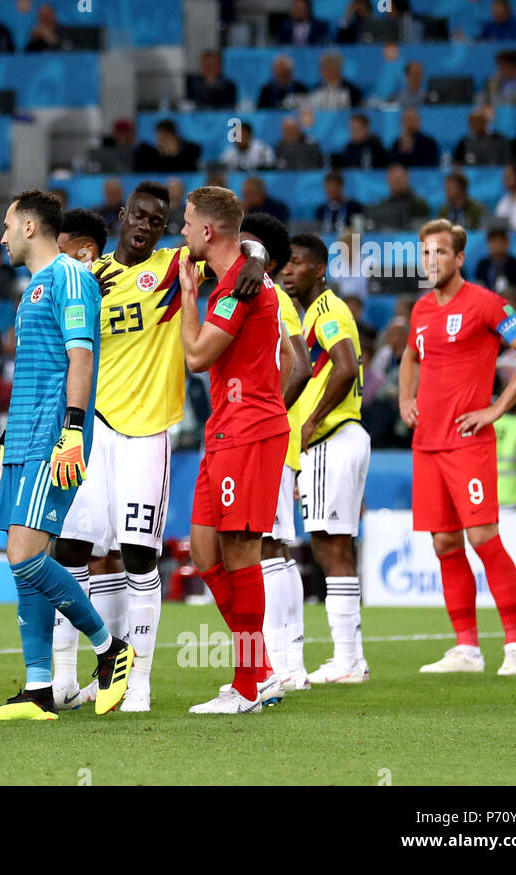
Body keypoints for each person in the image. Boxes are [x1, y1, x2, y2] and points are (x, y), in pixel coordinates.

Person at [52, 182, 268, 712]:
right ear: (123, 216)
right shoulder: (89, 275)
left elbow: (242, 243)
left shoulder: (175, 268)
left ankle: (140, 683)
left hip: (148, 432)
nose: (147, 225)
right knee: (73, 551)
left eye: (159, 219)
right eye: (139, 215)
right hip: (94, 429)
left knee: (140, 557)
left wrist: (257, 261)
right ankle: (65, 678)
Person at [0, 190, 132, 721]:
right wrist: (5, 446)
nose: (0, 236)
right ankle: (38, 688)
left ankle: (111, 649)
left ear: (28, 227)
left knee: (26, 558)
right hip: (24, 438)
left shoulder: (69, 275)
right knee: (23, 568)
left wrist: (71, 431)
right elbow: (32, 376)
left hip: (53, 437)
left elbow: (81, 357)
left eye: (5, 224)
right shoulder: (33, 290)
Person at [402, 219, 516, 676]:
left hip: (468, 443)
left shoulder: (486, 303)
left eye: (441, 253)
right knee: (444, 542)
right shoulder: (421, 309)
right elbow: (410, 355)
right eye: (426, 253)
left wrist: (497, 408)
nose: (432, 261)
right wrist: (407, 396)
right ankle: (467, 647)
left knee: (483, 539)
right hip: (427, 445)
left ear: (460, 258)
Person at [178, 186, 293, 714]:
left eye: (186, 223)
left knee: (242, 551)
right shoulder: (247, 272)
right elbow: (288, 355)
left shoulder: (233, 289)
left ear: (207, 231)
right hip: (228, 429)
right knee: (204, 551)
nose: (181, 232)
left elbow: (198, 356)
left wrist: (185, 297)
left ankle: (249, 686)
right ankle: (261, 669)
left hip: (246, 431)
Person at [283, 233, 372, 684]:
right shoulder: (318, 312)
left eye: (297, 264)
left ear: (320, 269)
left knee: (330, 546)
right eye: (286, 265)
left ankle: (347, 659)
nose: (287, 271)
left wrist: (313, 420)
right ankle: (351, 656)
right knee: (332, 544)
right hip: (342, 437)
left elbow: (346, 365)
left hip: (331, 437)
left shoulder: (327, 311)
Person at [241, 214, 311, 693]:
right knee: (277, 548)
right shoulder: (272, 295)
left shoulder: (274, 296)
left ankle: (284, 664)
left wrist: (267, 416)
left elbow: (300, 365)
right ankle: (291, 662)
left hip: (270, 437)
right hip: (275, 437)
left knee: (267, 546)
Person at [474, 228, 516, 292]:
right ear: (488, 244)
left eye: (500, 242)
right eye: (493, 242)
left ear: (507, 244)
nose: (497, 245)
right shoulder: (482, 265)